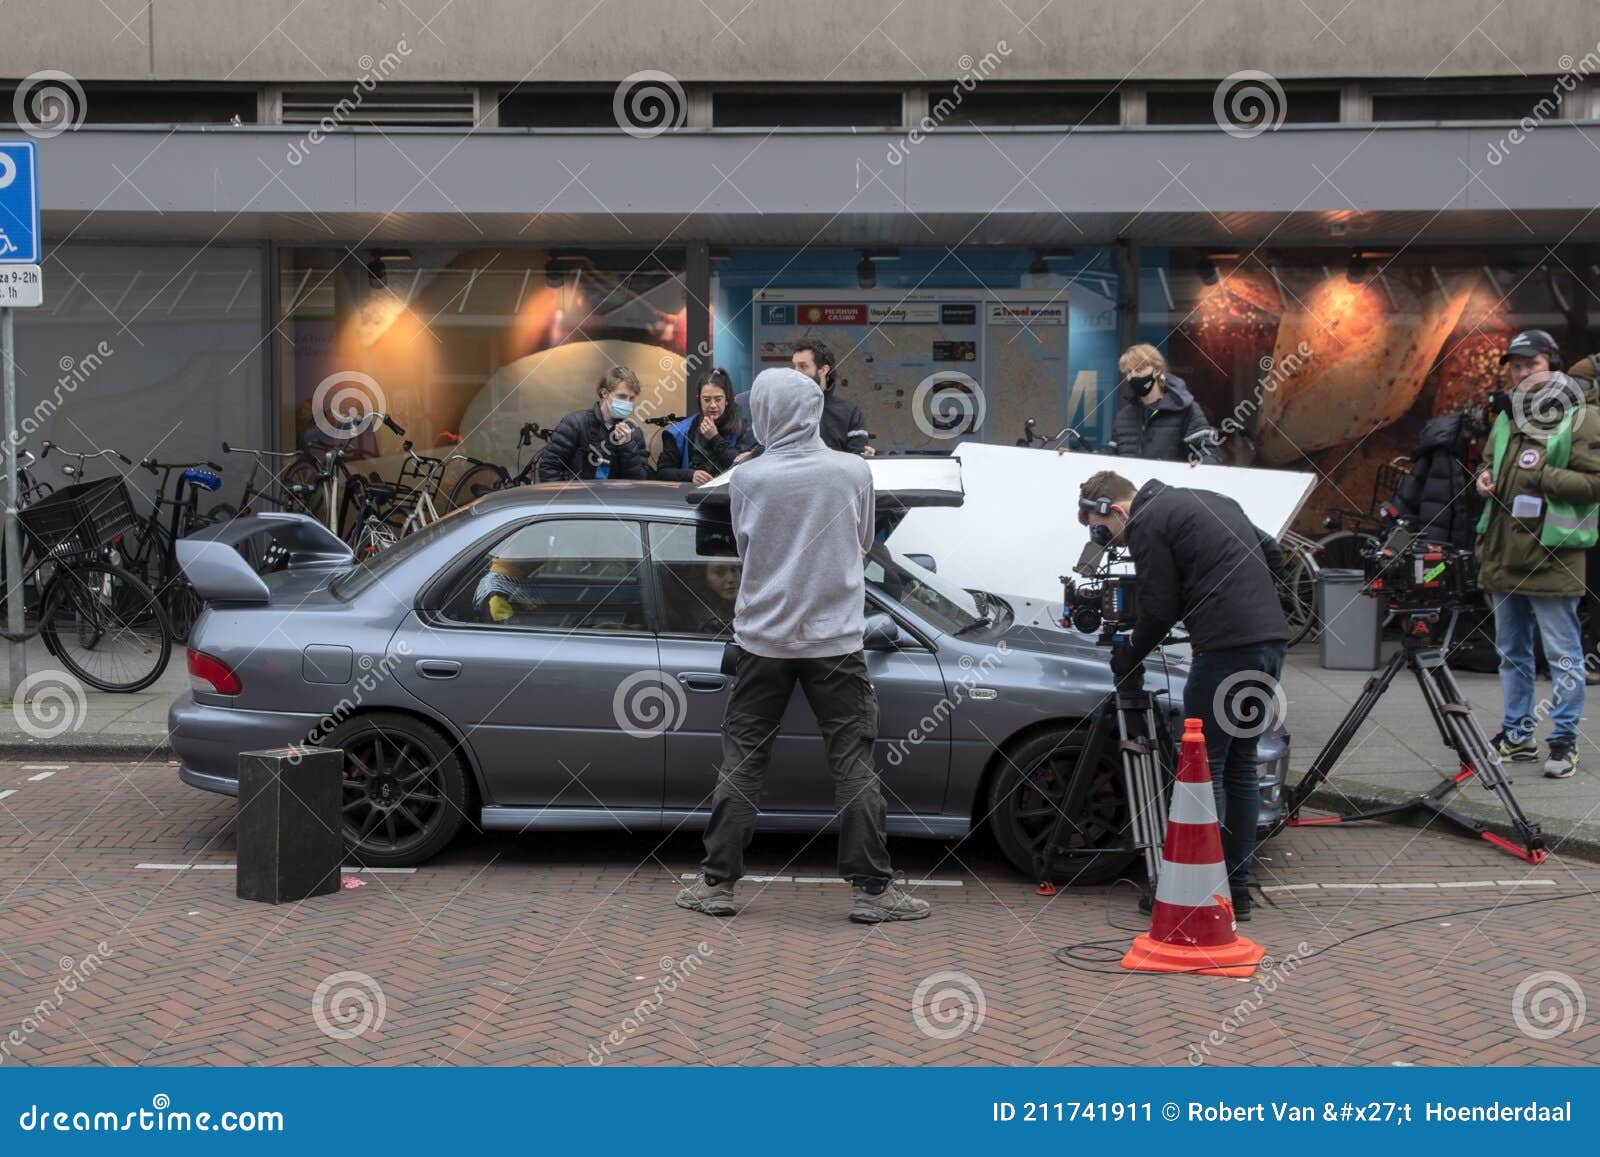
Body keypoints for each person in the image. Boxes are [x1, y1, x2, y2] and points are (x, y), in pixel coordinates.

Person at [675, 367, 929, 924]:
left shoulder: (748, 477)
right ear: (813, 409)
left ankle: (717, 883)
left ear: (766, 414)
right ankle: (872, 891)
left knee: (743, 760)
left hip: (762, 639)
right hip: (834, 640)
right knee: (853, 761)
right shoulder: (852, 471)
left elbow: (744, 544)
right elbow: (864, 541)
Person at [1078, 469, 1288, 920]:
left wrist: (1129, 656)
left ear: (1117, 510)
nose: (1112, 543)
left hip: (1226, 649)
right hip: (1269, 642)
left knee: (1204, 769)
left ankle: (1202, 892)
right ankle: (1236, 890)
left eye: (1106, 532)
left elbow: (1159, 607)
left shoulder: (1148, 521)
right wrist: (1245, 601)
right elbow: (1273, 552)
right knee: (1240, 764)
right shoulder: (1210, 499)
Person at [1473, 329, 1600, 778]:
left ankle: (1563, 741)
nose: (1523, 372)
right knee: (1512, 654)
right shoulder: (1507, 415)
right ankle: (1517, 736)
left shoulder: (1582, 416)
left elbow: (1594, 483)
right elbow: (1490, 462)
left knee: (1563, 656)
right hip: (1504, 554)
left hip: (1553, 554)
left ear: (1553, 364)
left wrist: (1544, 476)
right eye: (1517, 365)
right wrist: (1483, 478)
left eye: (1532, 364)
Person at [1110, 343, 1219, 464]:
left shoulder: (1186, 409)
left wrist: (1199, 466)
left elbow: (1209, 452)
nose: (1133, 376)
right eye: (1129, 372)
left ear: (1157, 370)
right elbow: (1111, 460)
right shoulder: (1123, 416)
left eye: (1139, 370)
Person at [536, 366, 649, 482]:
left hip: (614, 494)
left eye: (631, 398)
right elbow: (549, 468)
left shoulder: (633, 432)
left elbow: (639, 480)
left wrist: (627, 445)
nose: (627, 403)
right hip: (576, 493)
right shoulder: (576, 423)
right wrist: (568, 492)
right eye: (622, 396)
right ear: (604, 393)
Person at [654, 367, 758, 483]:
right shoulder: (679, 432)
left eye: (718, 399)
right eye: (707, 400)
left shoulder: (744, 429)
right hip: (689, 493)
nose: (713, 405)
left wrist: (715, 439)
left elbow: (744, 470)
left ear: (727, 400)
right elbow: (662, 472)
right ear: (699, 400)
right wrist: (690, 475)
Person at [791, 340, 876, 456]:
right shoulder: (784, 409)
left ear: (824, 370)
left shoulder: (850, 413)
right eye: (795, 366)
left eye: (803, 366)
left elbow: (856, 457)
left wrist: (864, 457)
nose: (795, 373)